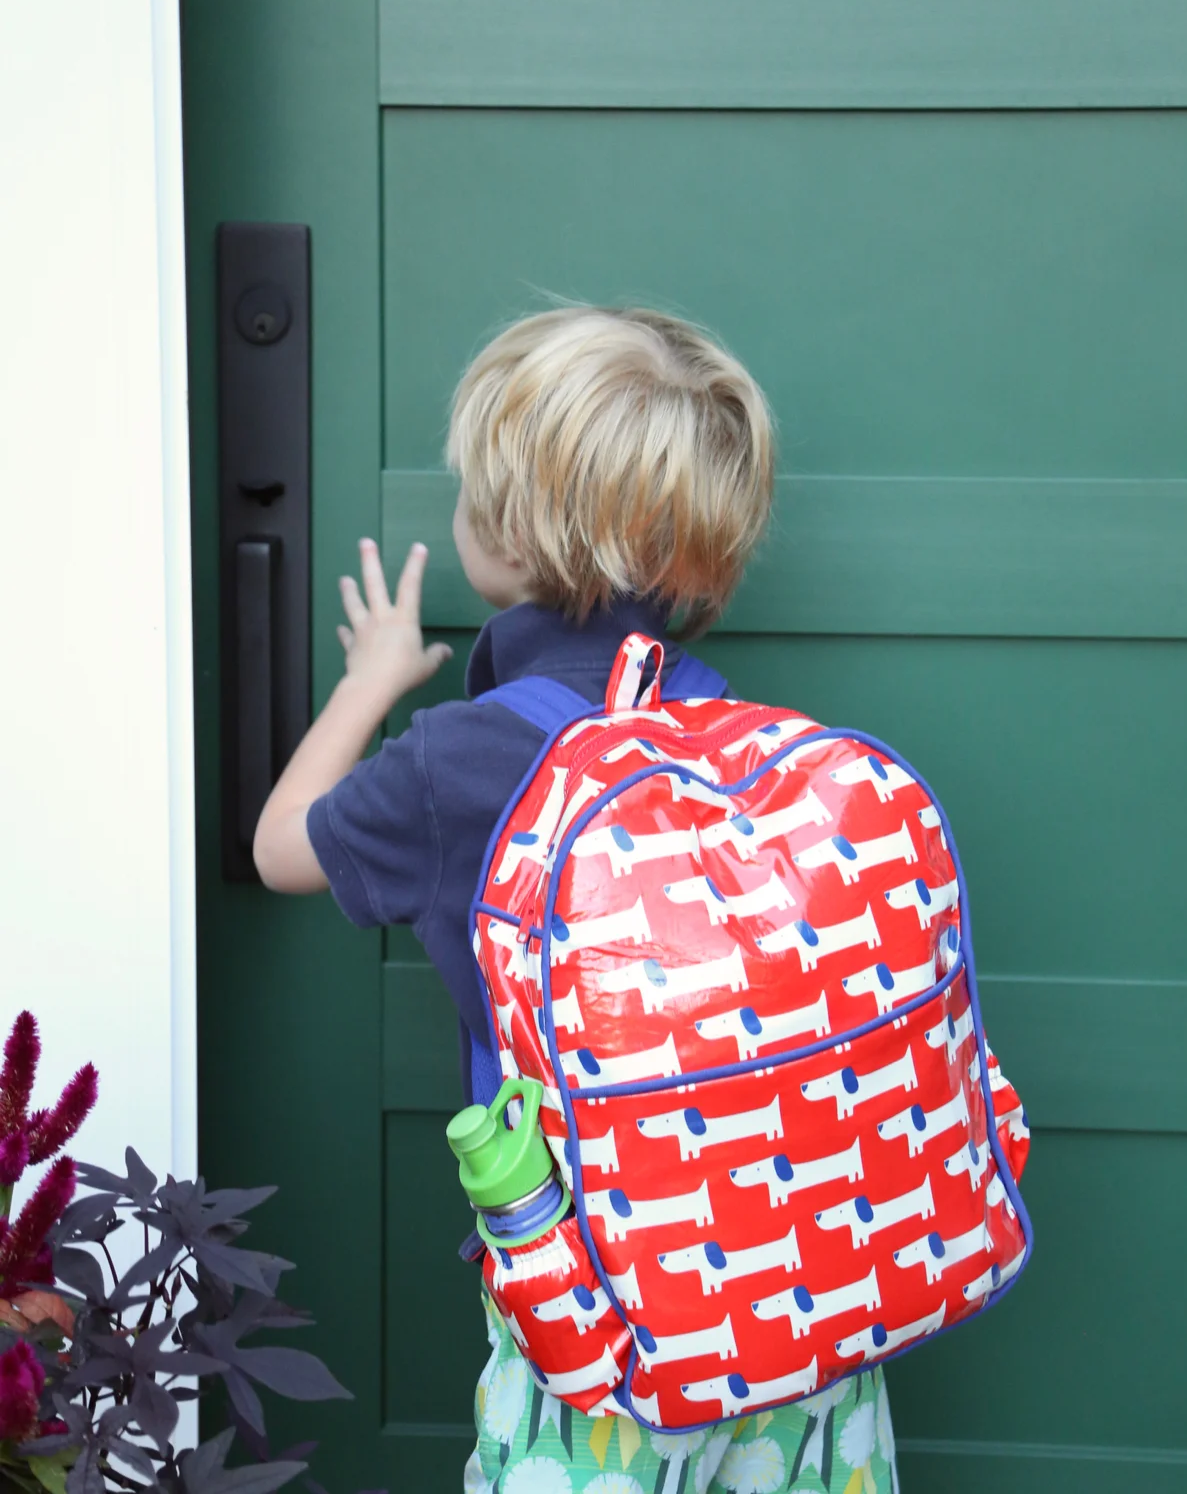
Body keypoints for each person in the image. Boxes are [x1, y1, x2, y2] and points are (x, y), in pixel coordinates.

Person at [253, 307, 899, 1493]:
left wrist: (372, 681)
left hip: (601, 1332)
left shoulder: (460, 761)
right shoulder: (733, 728)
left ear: (504, 530)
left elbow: (281, 847)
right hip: (802, 1299)